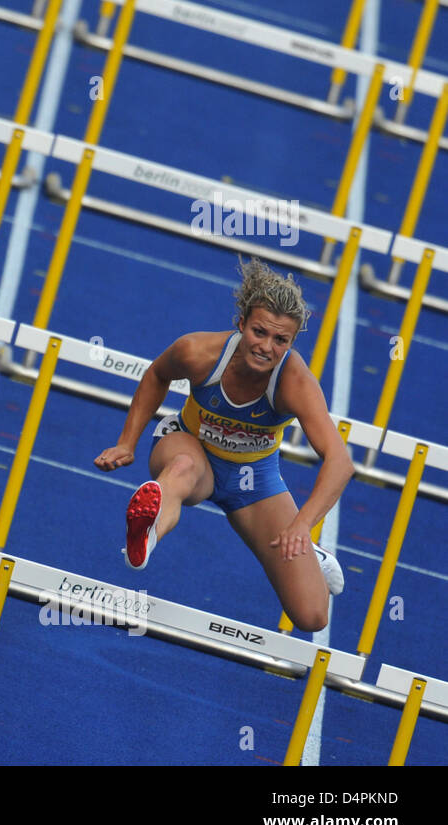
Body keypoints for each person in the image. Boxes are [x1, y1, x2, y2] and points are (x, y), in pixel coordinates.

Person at [94, 259, 353, 632]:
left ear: (291, 342)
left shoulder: (294, 381)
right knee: (182, 469)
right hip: (188, 446)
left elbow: (339, 462)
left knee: (311, 616)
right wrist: (127, 442)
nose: (266, 347)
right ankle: (145, 536)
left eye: (280, 340)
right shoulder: (198, 352)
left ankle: (312, 553)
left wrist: (301, 526)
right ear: (242, 323)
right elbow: (157, 374)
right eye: (259, 332)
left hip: (255, 481)